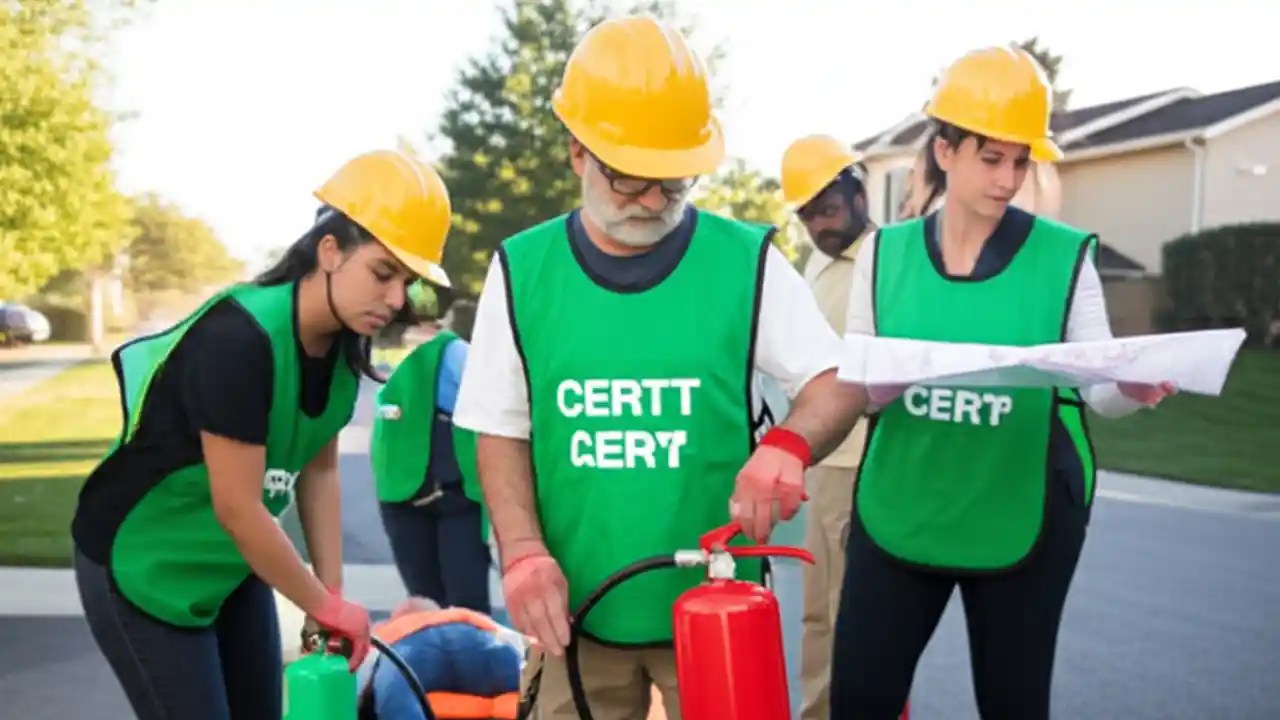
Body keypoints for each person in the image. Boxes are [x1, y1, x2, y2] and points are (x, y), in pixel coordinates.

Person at [736, 46, 1178, 719]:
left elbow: (1097, 389)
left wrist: (1135, 389)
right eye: (990, 158)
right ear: (944, 150)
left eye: (1019, 160)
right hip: (901, 505)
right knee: (859, 697)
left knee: (1013, 701)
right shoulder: (885, 254)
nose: (1007, 179)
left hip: (1022, 508)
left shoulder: (1064, 257)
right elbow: (862, 382)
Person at [451, 14, 847, 719]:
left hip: (720, 613)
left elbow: (836, 380)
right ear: (577, 151)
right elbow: (501, 427)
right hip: (572, 615)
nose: (654, 203)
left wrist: (789, 443)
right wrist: (520, 550)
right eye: (632, 180)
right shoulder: (522, 271)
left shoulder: (745, 263)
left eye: (675, 183)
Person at [69, 148, 455, 720]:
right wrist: (321, 603)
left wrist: (331, 599)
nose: (397, 299)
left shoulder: (343, 349)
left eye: (408, 282)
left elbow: (319, 472)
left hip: (229, 565)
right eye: (382, 272)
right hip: (142, 564)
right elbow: (238, 508)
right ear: (330, 250)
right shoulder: (240, 341)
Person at [779, 133, 874, 720]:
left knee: (851, 617)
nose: (820, 224)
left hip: (864, 461)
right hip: (821, 463)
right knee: (817, 613)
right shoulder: (817, 263)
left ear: (857, 192)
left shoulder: (885, 261)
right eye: (808, 215)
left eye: (829, 209)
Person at [371, 281, 491, 613]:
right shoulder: (447, 353)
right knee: (441, 606)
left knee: (453, 607)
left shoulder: (451, 353)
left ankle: (458, 663)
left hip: (445, 497)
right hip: (411, 495)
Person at [352, 596, 525, 720]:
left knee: (394, 698)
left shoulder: (386, 634)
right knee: (532, 681)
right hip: (478, 644)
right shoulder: (463, 617)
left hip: (405, 657)